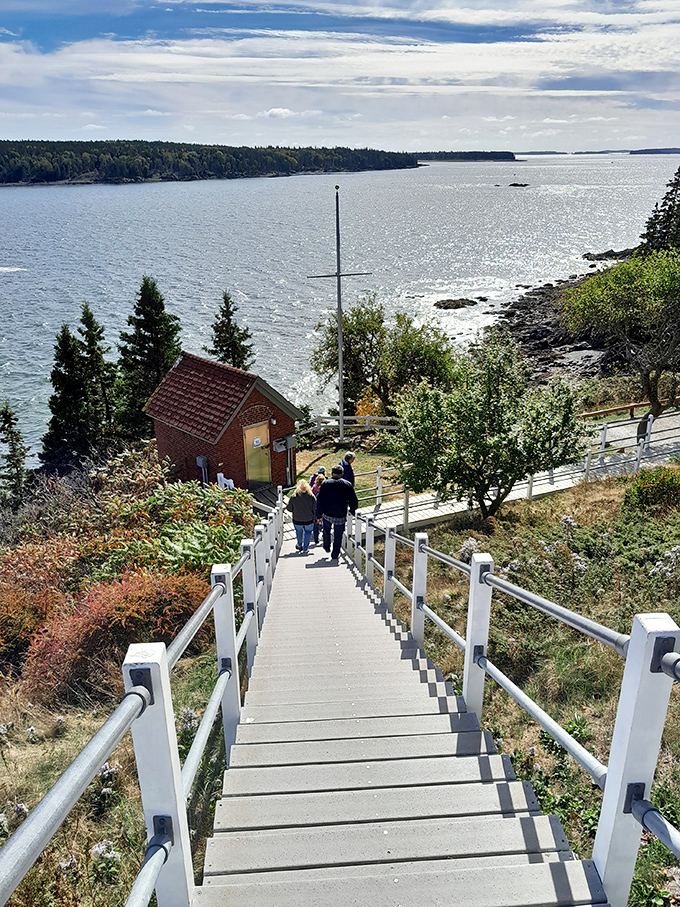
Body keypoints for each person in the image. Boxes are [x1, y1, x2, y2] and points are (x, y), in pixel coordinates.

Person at [315, 465, 358, 562]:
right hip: (340, 514)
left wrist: (318, 515)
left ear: (331, 474)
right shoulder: (347, 484)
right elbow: (353, 500)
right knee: (338, 535)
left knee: (326, 531)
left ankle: (326, 545)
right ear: (342, 474)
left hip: (327, 513)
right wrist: (352, 510)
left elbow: (320, 500)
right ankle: (335, 554)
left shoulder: (325, 483)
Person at [286, 479, 317, 554]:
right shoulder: (311, 496)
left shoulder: (294, 496)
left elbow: (289, 508)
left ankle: (299, 545)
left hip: (297, 519)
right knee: (308, 532)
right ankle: (305, 548)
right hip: (309, 519)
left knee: (299, 532)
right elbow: (315, 508)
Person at [311, 473, 325, 545]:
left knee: (315, 524)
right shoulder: (325, 488)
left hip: (315, 507)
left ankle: (316, 539)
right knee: (324, 523)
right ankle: (324, 537)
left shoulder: (314, 487)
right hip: (323, 508)